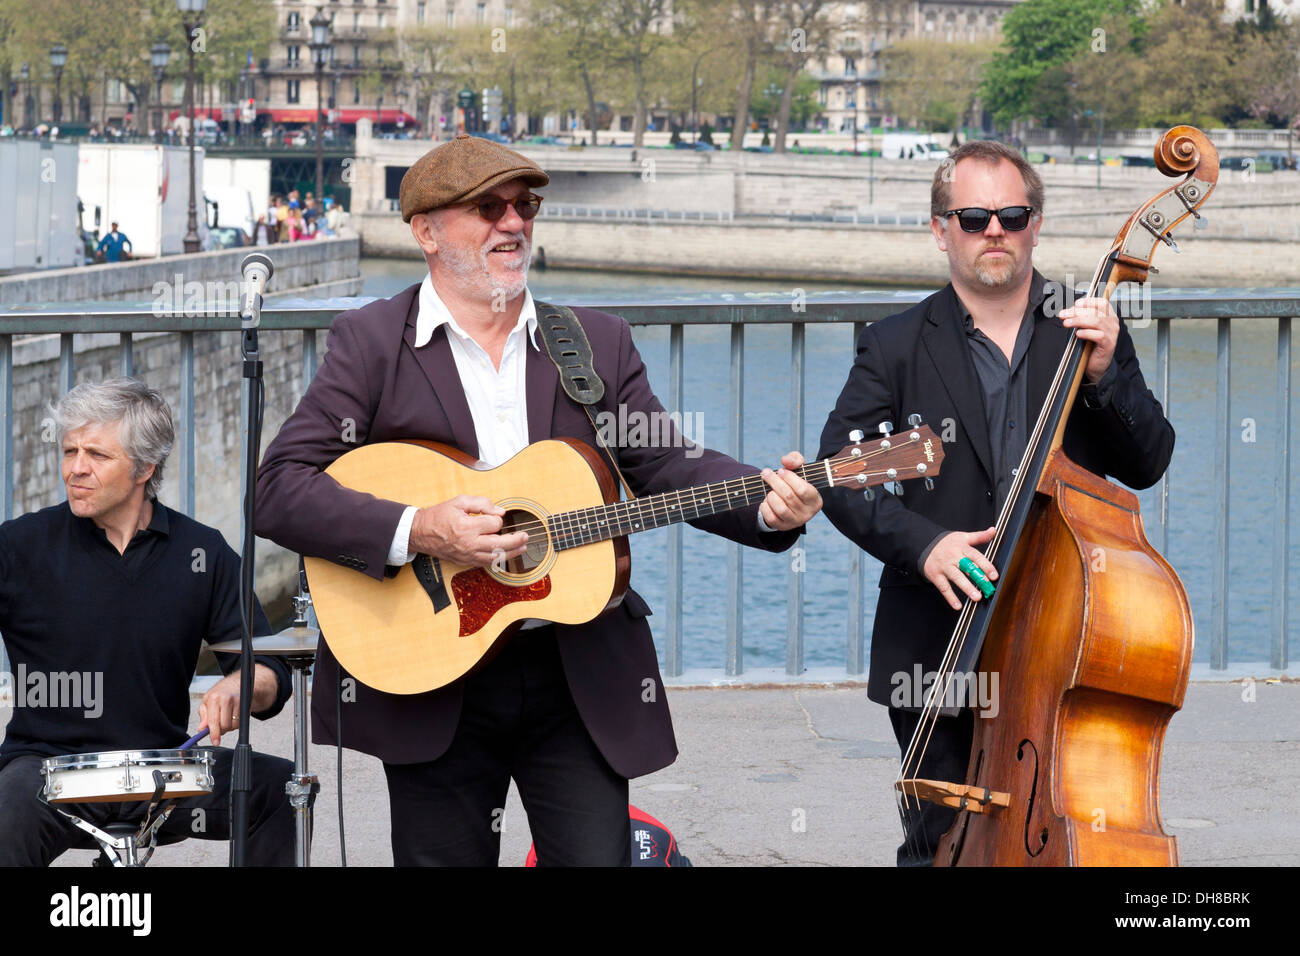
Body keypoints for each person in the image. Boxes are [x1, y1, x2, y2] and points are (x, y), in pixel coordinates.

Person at [255, 134, 823, 866]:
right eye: (487, 208)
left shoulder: (593, 342)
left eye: (524, 206)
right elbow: (279, 489)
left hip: (574, 668)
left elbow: (664, 464)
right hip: (436, 668)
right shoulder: (371, 343)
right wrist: (419, 527)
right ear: (425, 231)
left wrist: (764, 506)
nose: (513, 223)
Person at [816, 140, 1174, 866]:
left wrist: (1107, 379)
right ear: (939, 228)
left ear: (1036, 223)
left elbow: (1149, 460)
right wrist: (925, 544)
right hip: (937, 644)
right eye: (974, 216)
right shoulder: (895, 345)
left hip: (1063, 641)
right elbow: (837, 474)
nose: (994, 232)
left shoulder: (1086, 331)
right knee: (939, 846)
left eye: (1012, 215)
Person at [0, 380, 296, 866]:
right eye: (69, 450)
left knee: (278, 791)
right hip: (45, 767)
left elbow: (269, 670)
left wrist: (241, 687)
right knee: (6, 820)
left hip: (163, 766)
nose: (75, 468)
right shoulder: (20, 546)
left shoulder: (202, 554)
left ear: (145, 468)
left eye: (97, 454)